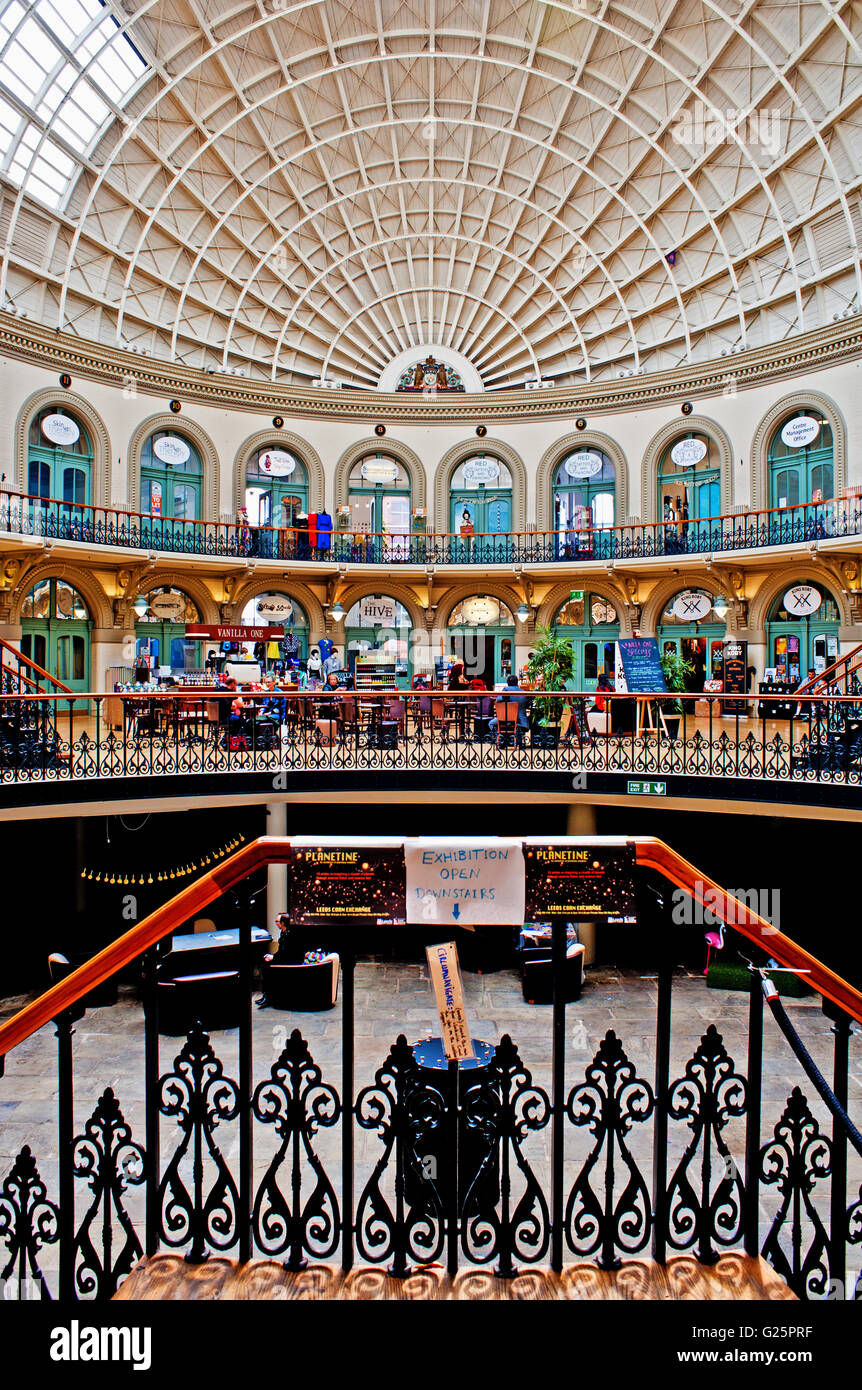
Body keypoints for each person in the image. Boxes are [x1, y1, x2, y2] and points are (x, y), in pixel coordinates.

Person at [489, 674, 532, 745]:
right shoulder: (524, 693)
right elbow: (528, 705)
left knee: (491, 723)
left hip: (507, 720)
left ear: (507, 683)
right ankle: (517, 739)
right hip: (522, 722)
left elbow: (498, 700)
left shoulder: (506, 690)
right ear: (517, 682)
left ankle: (501, 739)